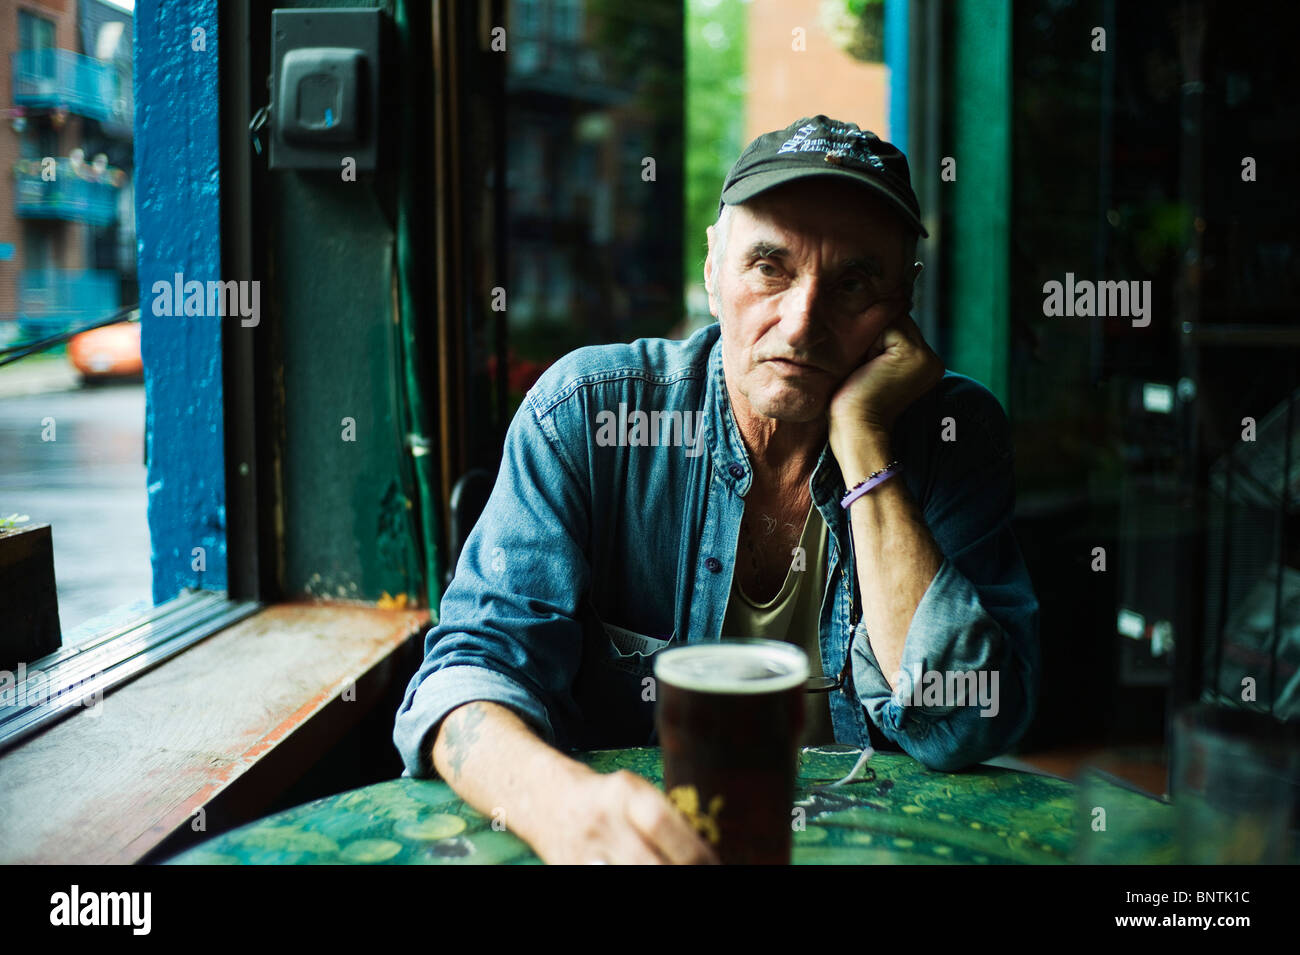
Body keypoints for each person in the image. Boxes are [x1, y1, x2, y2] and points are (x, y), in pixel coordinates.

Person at [393, 115, 1040, 864]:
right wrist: (559, 805)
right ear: (712, 267)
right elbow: (465, 676)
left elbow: (968, 717)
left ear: (905, 300)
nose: (800, 324)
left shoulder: (953, 434)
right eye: (770, 265)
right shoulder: (587, 414)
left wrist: (864, 443)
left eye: (855, 282)